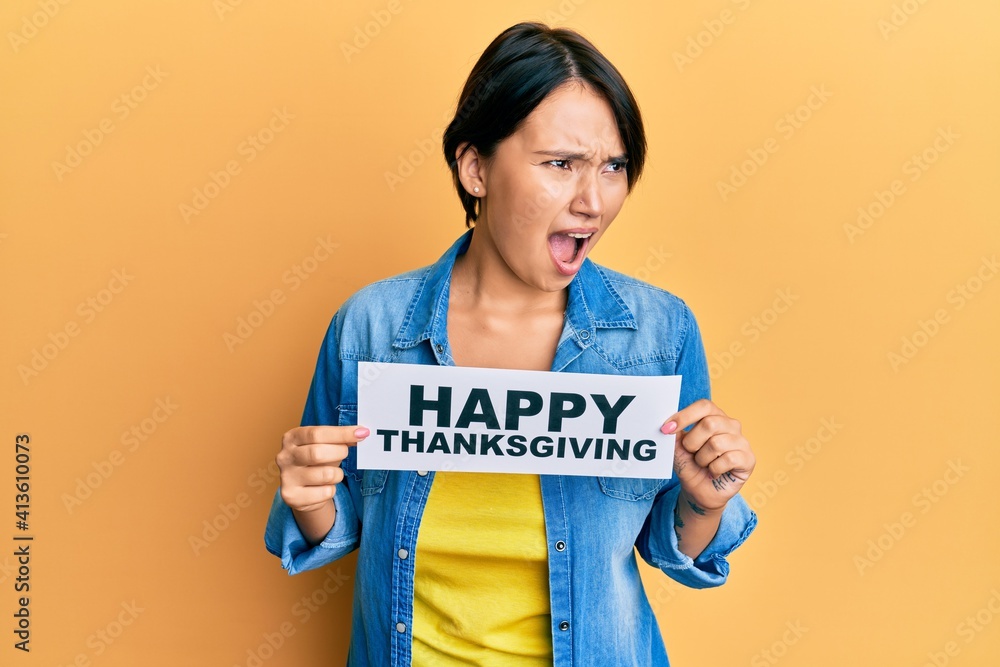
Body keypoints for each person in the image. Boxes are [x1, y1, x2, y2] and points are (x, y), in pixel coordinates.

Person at [265, 21, 757, 667]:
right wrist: (310, 499)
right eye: (560, 165)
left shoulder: (658, 332)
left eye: (613, 167)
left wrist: (704, 497)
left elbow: (676, 550)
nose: (592, 200)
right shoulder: (373, 327)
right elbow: (338, 533)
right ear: (475, 168)